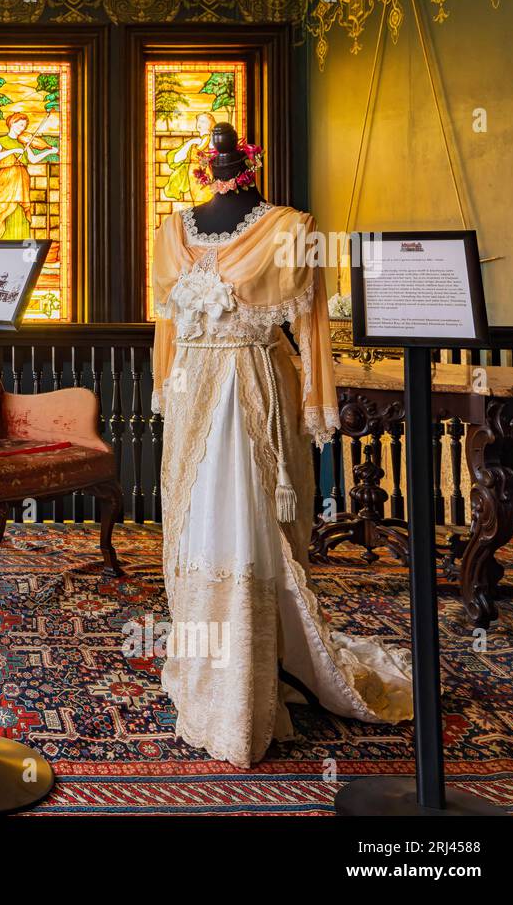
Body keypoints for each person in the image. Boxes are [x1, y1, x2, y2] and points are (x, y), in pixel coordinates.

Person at [149, 124, 413, 767]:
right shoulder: (169, 230)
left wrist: (317, 404)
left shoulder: (293, 228)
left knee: (247, 519)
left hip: (254, 392)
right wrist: (165, 389)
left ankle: (255, 674)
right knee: (200, 523)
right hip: (192, 396)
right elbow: (164, 327)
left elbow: (312, 326)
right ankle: (208, 665)